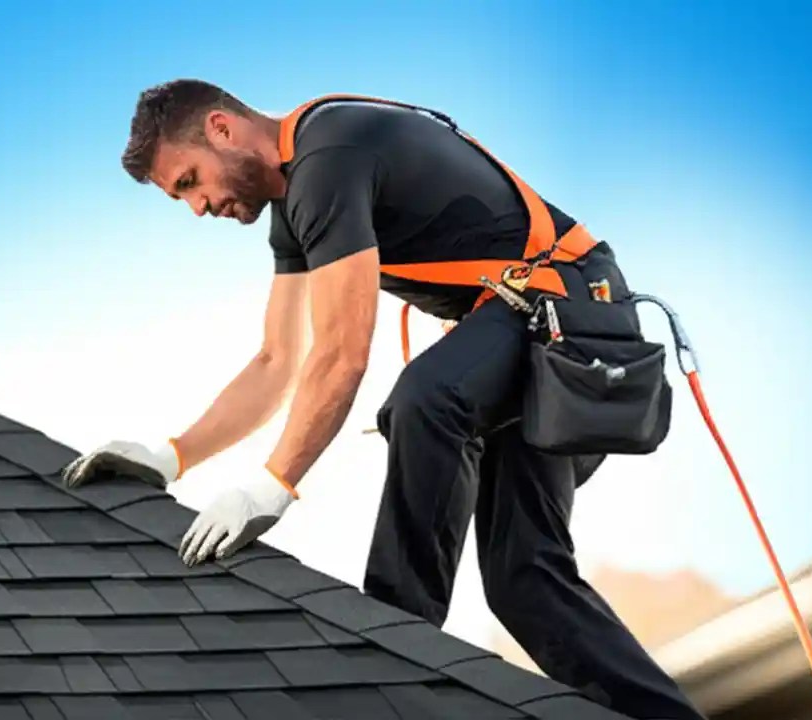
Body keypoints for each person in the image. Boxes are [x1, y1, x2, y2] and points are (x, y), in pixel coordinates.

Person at [60, 78, 707, 720]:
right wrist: (171, 459)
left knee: (424, 400)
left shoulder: (327, 159)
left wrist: (270, 489)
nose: (198, 208)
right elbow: (276, 360)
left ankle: (395, 643)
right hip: (538, 336)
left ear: (221, 129)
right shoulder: (294, 209)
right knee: (525, 582)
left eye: (189, 182)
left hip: (572, 319)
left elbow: (342, 352)